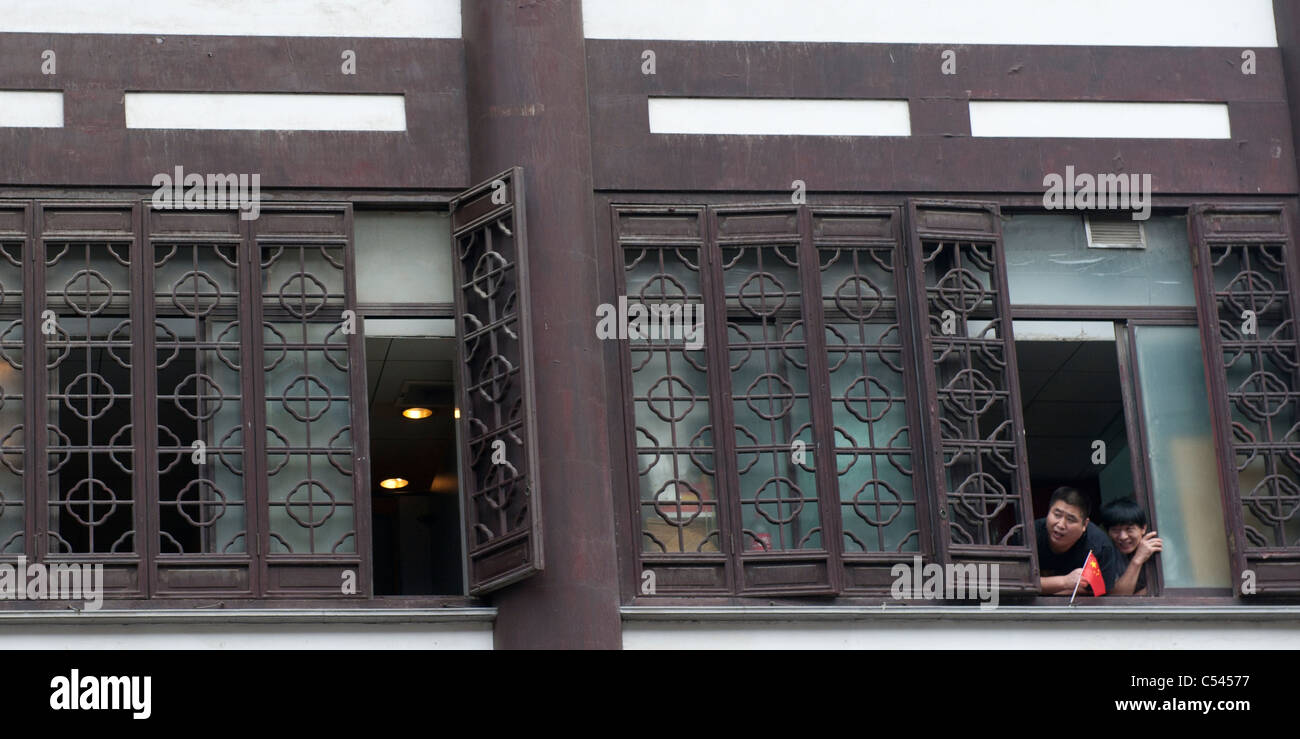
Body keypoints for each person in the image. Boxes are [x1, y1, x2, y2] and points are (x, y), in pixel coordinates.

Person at [1035, 486, 1123, 596]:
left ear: (1084, 524)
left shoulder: (1100, 546)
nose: (1061, 525)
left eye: (1071, 519)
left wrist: (1046, 587)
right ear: (1048, 512)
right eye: (1057, 515)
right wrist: (1065, 582)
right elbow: (1018, 583)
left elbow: (1099, 593)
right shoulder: (1030, 534)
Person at [1100, 498, 1162, 596]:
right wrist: (1137, 560)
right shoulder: (1107, 553)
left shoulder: (1158, 546)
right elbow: (1117, 599)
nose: (1123, 537)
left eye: (1129, 529)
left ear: (1143, 528)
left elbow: (1169, 588)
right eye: (1115, 530)